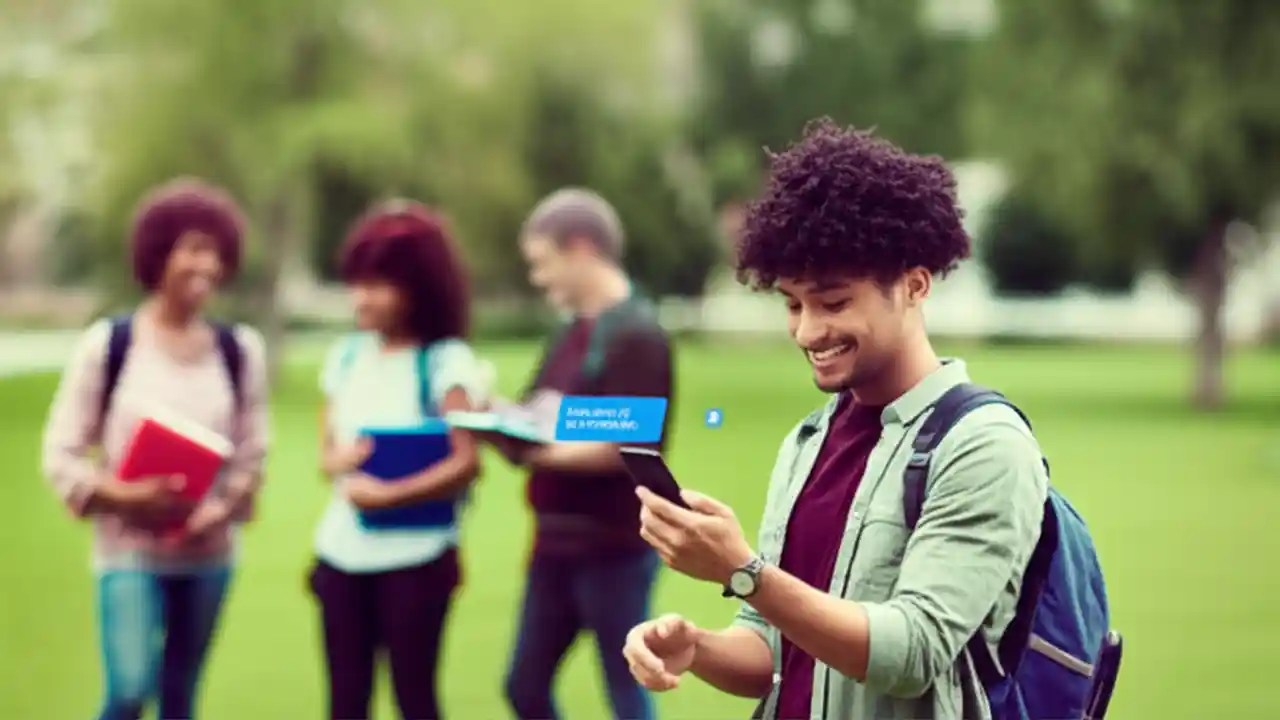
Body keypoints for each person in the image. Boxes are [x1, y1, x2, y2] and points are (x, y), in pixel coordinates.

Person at [622, 120, 1050, 720]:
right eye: (793, 304)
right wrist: (699, 648)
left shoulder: (984, 445)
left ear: (914, 285)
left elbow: (912, 652)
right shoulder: (808, 440)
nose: (807, 331)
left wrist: (742, 571)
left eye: (834, 302)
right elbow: (772, 650)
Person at [41, 178, 270, 720]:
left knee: (179, 697)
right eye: (192, 249)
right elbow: (61, 453)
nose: (206, 266)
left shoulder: (239, 351)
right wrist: (124, 496)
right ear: (157, 252)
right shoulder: (111, 346)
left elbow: (252, 454)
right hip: (129, 551)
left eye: (216, 252)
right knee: (128, 688)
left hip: (208, 553)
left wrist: (223, 504)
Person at [481, 188, 674, 720]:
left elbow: (630, 442)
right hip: (554, 540)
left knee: (628, 691)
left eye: (542, 264)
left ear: (581, 248)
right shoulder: (571, 331)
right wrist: (496, 416)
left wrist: (534, 445)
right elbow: (547, 410)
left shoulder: (635, 334)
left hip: (612, 547)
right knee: (523, 687)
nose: (538, 279)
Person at [310, 199, 486, 720]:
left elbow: (466, 462)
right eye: (357, 283)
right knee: (345, 702)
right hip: (340, 556)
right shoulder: (345, 357)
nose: (361, 298)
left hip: (417, 559)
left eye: (379, 284)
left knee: (415, 700)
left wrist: (387, 495)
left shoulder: (444, 362)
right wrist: (340, 461)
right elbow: (327, 455)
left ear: (419, 288)